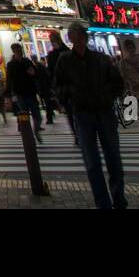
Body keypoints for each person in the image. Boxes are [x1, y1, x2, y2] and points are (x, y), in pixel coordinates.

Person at [54, 22, 126, 210]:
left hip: (104, 111)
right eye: (72, 37)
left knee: (113, 157)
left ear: (84, 38)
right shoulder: (64, 60)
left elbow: (118, 84)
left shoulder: (101, 59)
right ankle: (102, 203)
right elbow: (58, 86)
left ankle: (119, 199)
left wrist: (105, 94)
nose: (75, 40)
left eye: (78, 36)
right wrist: (70, 95)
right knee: (92, 162)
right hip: (82, 113)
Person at [5, 43, 43, 141]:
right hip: (20, 92)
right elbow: (9, 79)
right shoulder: (11, 64)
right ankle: (28, 134)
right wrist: (8, 93)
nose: (18, 51)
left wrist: (33, 73)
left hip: (30, 91)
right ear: (13, 51)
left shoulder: (27, 61)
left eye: (19, 49)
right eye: (16, 50)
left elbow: (35, 74)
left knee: (37, 115)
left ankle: (36, 130)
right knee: (24, 115)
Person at [46, 30, 75, 143]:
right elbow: (51, 72)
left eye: (54, 39)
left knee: (74, 111)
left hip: (70, 85)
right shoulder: (54, 54)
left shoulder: (65, 52)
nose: (53, 41)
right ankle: (76, 132)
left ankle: (78, 132)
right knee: (70, 111)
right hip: (63, 87)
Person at [34, 55, 56, 125]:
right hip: (44, 87)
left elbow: (38, 79)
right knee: (47, 103)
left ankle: (49, 117)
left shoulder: (38, 67)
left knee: (47, 103)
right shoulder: (40, 67)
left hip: (43, 87)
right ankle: (50, 115)